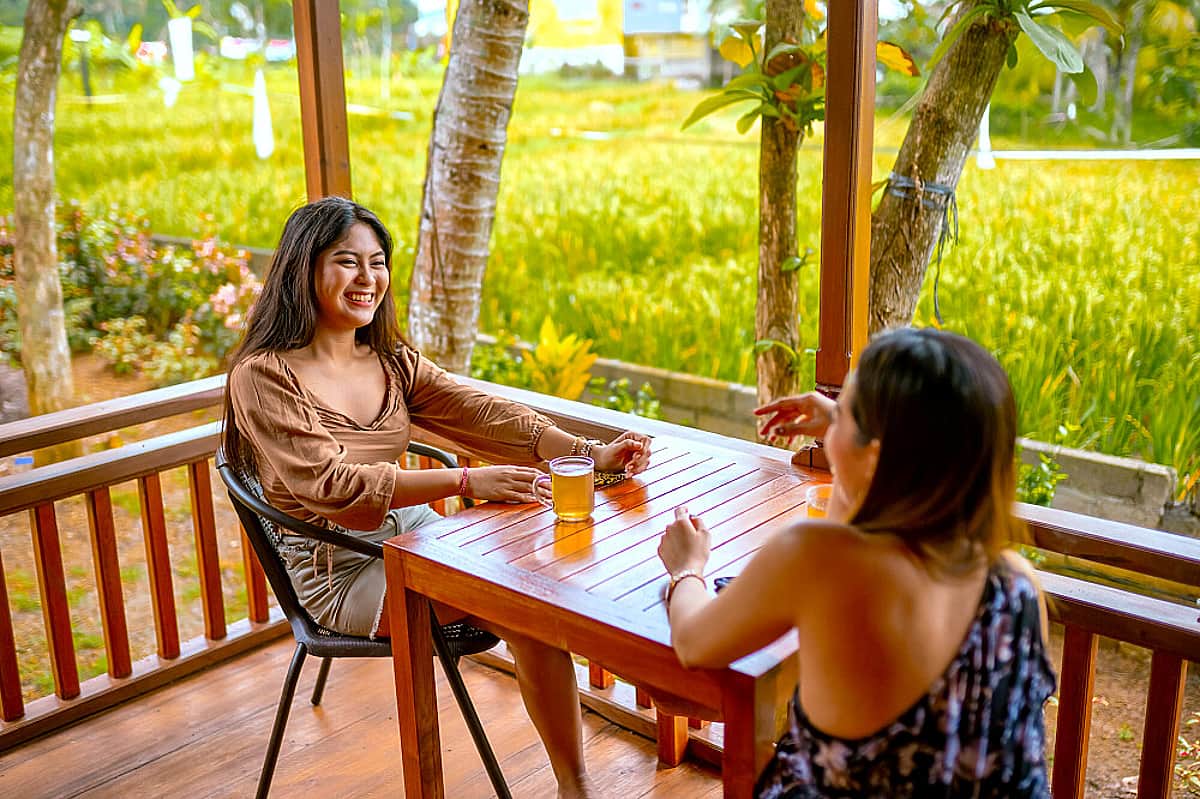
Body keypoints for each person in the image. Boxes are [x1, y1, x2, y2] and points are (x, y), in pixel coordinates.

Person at [222, 196, 650, 799]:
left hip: (417, 533)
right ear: (304, 268)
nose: (367, 278)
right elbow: (333, 489)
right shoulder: (263, 375)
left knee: (533, 608)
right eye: (347, 261)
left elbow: (479, 411)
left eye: (377, 262)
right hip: (339, 567)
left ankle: (573, 791)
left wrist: (583, 451)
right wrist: (467, 482)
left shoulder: (390, 361)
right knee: (530, 606)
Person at [657, 328, 1055, 798]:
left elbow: (695, 643)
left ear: (878, 454)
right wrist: (845, 430)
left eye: (843, 408)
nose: (831, 418)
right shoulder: (1018, 584)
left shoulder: (819, 558)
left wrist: (688, 568)